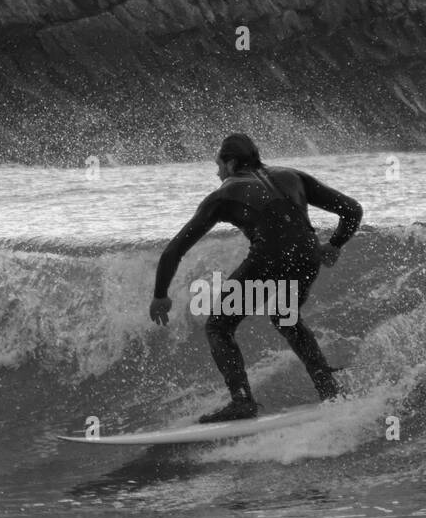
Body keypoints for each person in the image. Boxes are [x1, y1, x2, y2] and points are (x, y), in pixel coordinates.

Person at [149, 134, 363, 423]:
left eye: (218, 165)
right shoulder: (292, 175)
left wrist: (160, 294)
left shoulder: (224, 195)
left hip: (270, 257)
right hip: (307, 256)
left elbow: (175, 250)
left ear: (232, 162)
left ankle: (242, 401)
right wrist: (334, 245)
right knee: (285, 317)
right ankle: (329, 390)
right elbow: (352, 209)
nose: (217, 172)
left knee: (219, 326)